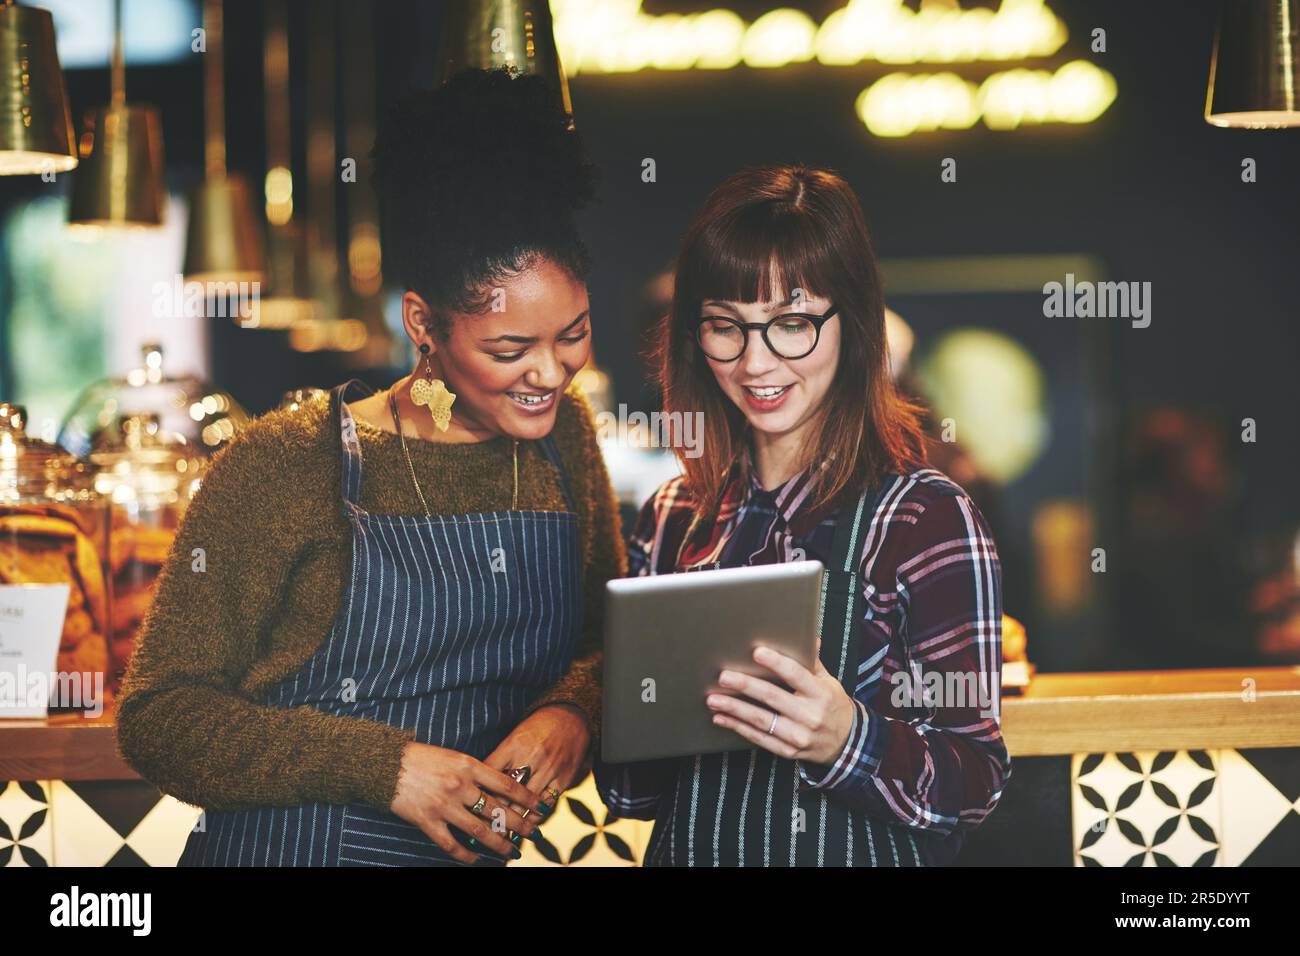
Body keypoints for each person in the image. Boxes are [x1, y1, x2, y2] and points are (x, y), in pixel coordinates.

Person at [116, 69, 626, 866]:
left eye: (573, 334)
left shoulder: (564, 443)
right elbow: (160, 717)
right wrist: (386, 769)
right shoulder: (286, 463)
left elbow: (607, 641)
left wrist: (575, 713)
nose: (551, 374)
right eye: (509, 349)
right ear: (423, 324)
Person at [595, 165, 1011, 866]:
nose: (756, 362)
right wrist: (625, 714)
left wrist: (846, 737)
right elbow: (633, 796)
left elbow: (974, 780)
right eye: (726, 326)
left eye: (791, 324)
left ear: (851, 321)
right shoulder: (674, 517)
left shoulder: (924, 520)